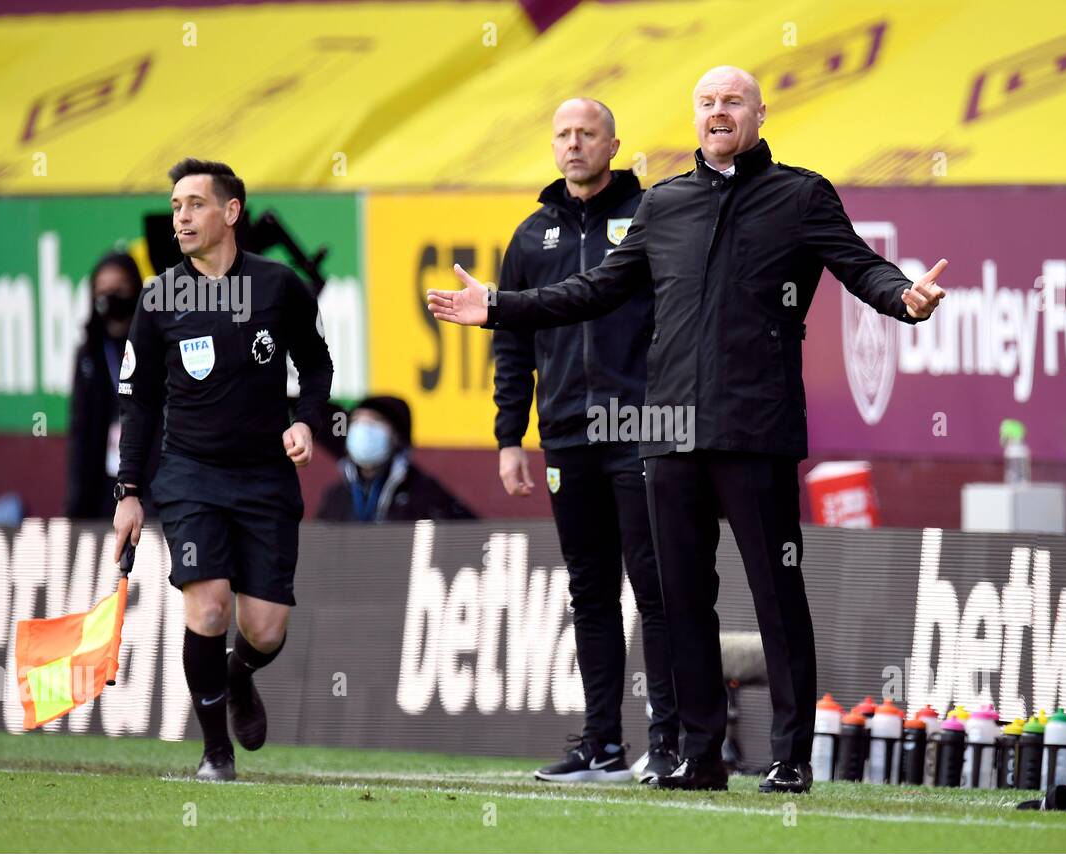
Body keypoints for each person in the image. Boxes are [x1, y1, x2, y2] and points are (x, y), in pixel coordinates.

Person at [427, 66, 947, 793]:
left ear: (761, 114)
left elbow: (859, 267)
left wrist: (904, 298)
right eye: (706, 103)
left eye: (732, 101)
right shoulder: (666, 203)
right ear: (693, 117)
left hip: (756, 431)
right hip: (667, 434)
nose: (718, 112)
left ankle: (790, 757)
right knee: (679, 602)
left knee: (776, 593)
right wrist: (502, 308)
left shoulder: (800, 194)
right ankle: (700, 757)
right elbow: (597, 289)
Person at [114, 157, 333, 781]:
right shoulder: (159, 298)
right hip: (190, 476)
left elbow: (316, 365)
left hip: (265, 476)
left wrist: (306, 422)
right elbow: (138, 396)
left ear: (230, 212)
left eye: (196, 204)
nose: (181, 216)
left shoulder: (278, 286)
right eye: (177, 205)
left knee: (262, 630)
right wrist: (129, 489)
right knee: (207, 610)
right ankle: (215, 754)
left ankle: (239, 676)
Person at [494, 98, 679, 783]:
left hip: (641, 429)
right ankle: (601, 743)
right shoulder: (529, 236)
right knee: (590, 592)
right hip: (566, 434)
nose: (574, 145)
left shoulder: (653, 218)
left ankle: (668, 742)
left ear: (614, 145)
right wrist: (510, 434)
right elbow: (511, 341)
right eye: (563, 135)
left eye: (587, 134)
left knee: (655, 587)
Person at [66, 252, 155, 519]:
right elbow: (81, 433)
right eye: (102, 290)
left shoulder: (152, 346)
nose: (110, 297)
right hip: (105, 484)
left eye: (119, 289)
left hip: (151, 481)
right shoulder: (90, 352)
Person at [317, 395, 475, 522]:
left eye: (375, 421)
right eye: (356, 421)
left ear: (397, 436)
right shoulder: (336, 495)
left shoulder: (425, 494)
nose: (363, 430)